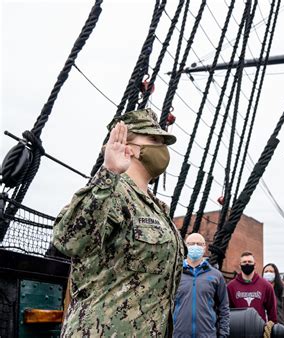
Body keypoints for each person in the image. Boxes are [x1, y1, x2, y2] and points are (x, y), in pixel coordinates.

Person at [53, 108, 185, 337]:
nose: (161, 148)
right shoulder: (112, 192)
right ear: (129, 147)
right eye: (153, 139)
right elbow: (68, 240)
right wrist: (109, 172)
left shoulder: (156, 209)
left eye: (162, 141)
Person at [173, 233, 230, 338]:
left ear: (204, 248)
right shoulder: (175, 274)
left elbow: (224, 307)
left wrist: (223, 334)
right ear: (185, 247)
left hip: (207, 334)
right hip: (179, 334)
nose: (195, 246)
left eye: (199, 244)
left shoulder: (216, 275)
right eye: (191, 244)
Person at [227, 251, 278, 323]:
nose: (247, 264)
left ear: (255, 265)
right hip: (237, 329)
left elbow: (272, 312)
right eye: (244, 262)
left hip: (259, 329)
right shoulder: (231, 287)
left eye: (250, 262)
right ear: (240, 265)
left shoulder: (266, 286)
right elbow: (226, 311)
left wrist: (272, 330)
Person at [262, 263, 284, 337]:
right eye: (266, 271)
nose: (268, 273)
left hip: (280, 328)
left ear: (276, 274)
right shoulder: (260, 289)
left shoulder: (283, 290)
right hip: (263, 328)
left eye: (271, 271)